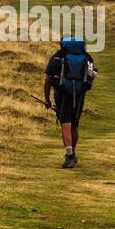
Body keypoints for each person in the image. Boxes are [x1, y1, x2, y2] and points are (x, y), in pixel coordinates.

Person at [43, 36, 97, 168]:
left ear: (62, 45)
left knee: (65, 124)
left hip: (62, 95)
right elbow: (90, 78)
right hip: (79, 96)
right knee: (74, 125)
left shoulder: (56, 58)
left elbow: (47, 81)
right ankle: (72, 153)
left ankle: (70, 155)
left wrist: (47, 100)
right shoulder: (87, 57)